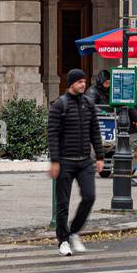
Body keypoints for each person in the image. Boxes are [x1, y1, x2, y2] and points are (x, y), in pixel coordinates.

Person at [47, 69, 104, 257]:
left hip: (85, 161)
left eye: (84, 81)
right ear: (71, 83)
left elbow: (95, 131)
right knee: (62, 203)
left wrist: (101, 157)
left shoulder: (88, 103)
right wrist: (54, 161)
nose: (83, 84)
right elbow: (53, 136)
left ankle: (74, 231)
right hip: (65, 161)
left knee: (89, 196)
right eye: (79, 81)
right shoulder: (59, 105)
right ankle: (63, 240)